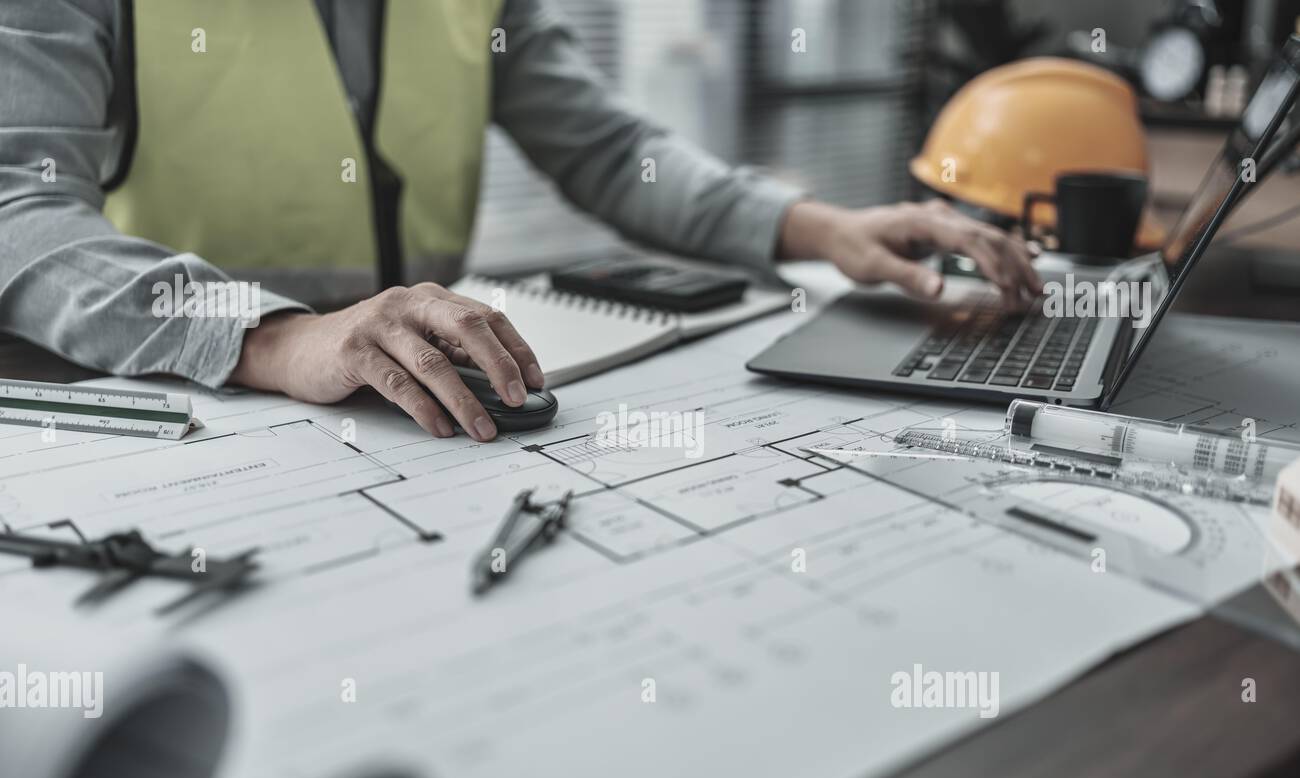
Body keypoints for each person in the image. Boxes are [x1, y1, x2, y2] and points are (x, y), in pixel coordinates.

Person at [0, 0, 1041, 442]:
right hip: (178, 403)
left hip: (417, 409)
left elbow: (604, 148)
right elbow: (17, 205)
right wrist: (275, 334)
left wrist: (820, 227)